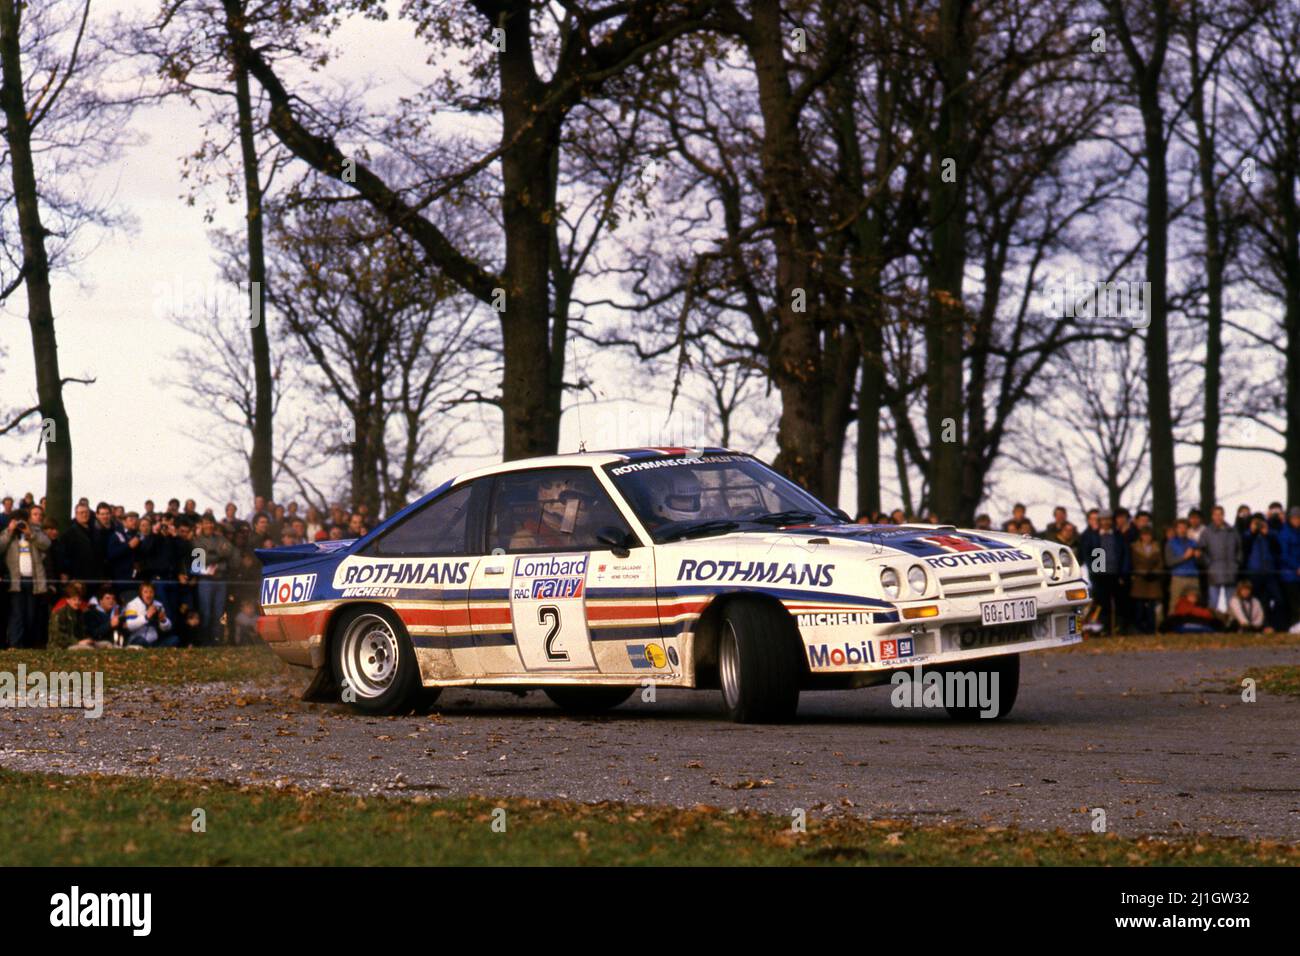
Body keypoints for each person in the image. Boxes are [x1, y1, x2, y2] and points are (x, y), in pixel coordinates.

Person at [2, 509, 51, 648]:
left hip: (34, 581)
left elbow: (46, 544)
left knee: (31, 615)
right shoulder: (9, 534)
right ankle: (15, 646)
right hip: (16, 581)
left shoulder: (34, 531)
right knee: (17, 615)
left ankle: (28, 646)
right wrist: (10, 531)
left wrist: (30, 533)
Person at [193, 514, 234, 644]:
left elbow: (229, 552)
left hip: (221, 579)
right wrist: (219, 554)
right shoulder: (197, 540)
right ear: (202, 524)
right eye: (206, 523)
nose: (209, 525)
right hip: (206, 580)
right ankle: (205, 642)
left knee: (219, 612)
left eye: (211, 523)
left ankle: (217, 641)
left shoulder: (221, 538)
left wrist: (211, 553)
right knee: (206, 612)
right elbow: (200, 559)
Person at [1199, 506, 1241, 615]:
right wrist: (1209, 564)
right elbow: (1201, 550)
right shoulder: (1207, 532)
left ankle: (1231, 624)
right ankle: (1212, 625)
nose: (1218, 517)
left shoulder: (1232, 531)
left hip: (1230, 570)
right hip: (1214, 570)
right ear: (1212, 516)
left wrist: (1236, 563)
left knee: (1231, 601)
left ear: (1223, 515)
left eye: (1220, 514)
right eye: (1215, 514)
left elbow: (1239, 549)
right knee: (1213, 600)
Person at [1129, 526, 1164, 634]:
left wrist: (1155, 572)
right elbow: (1132, 562)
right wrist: (1141, 571)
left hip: (1153, 581)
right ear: (1141, 536)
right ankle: (1138, 628)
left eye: (1148, 535)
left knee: (1151, 608)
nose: (1146, 537)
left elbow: (1160, 563)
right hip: (1139, 580)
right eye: (1144, 535)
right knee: (1139, 607)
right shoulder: (1134, 547)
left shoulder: (1157, 548)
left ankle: (1151, 628)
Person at [1164, 518, 1202, 616]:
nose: (1182, 530)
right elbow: (1169, 562)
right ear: (1176, 529)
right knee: (1174, 603)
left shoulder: (1193, 542)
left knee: (1194, 603)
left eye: (1185, 527)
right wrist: (1184, 557)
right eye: (1180, 527)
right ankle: (1171, 627)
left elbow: (1200, 563)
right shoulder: (1171, 543)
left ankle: (1192, 626)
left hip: (1193, 577)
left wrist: (1198, 557)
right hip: (1178, 577)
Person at [122, 581, 177, 647]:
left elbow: (167, 629)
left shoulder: (158, 605)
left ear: (154, 593)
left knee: (175, 639)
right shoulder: (132, 604)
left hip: (154, 642)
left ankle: (152, 649)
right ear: (141, 593)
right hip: (137, 640)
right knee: (141, 641)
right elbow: (130, 626)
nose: (148, 595)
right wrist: (146, 617)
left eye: (151, 592)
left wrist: (163, 620)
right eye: (145, 592)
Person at [1278, 506, 1300, 629]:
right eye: (1295, 518)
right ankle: (1294, 626)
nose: (1297, 521)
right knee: (1293, 602)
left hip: (1297, 573)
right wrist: (1296, 567)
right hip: (1289, 575)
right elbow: (1284, 555)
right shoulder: (1285, 533)